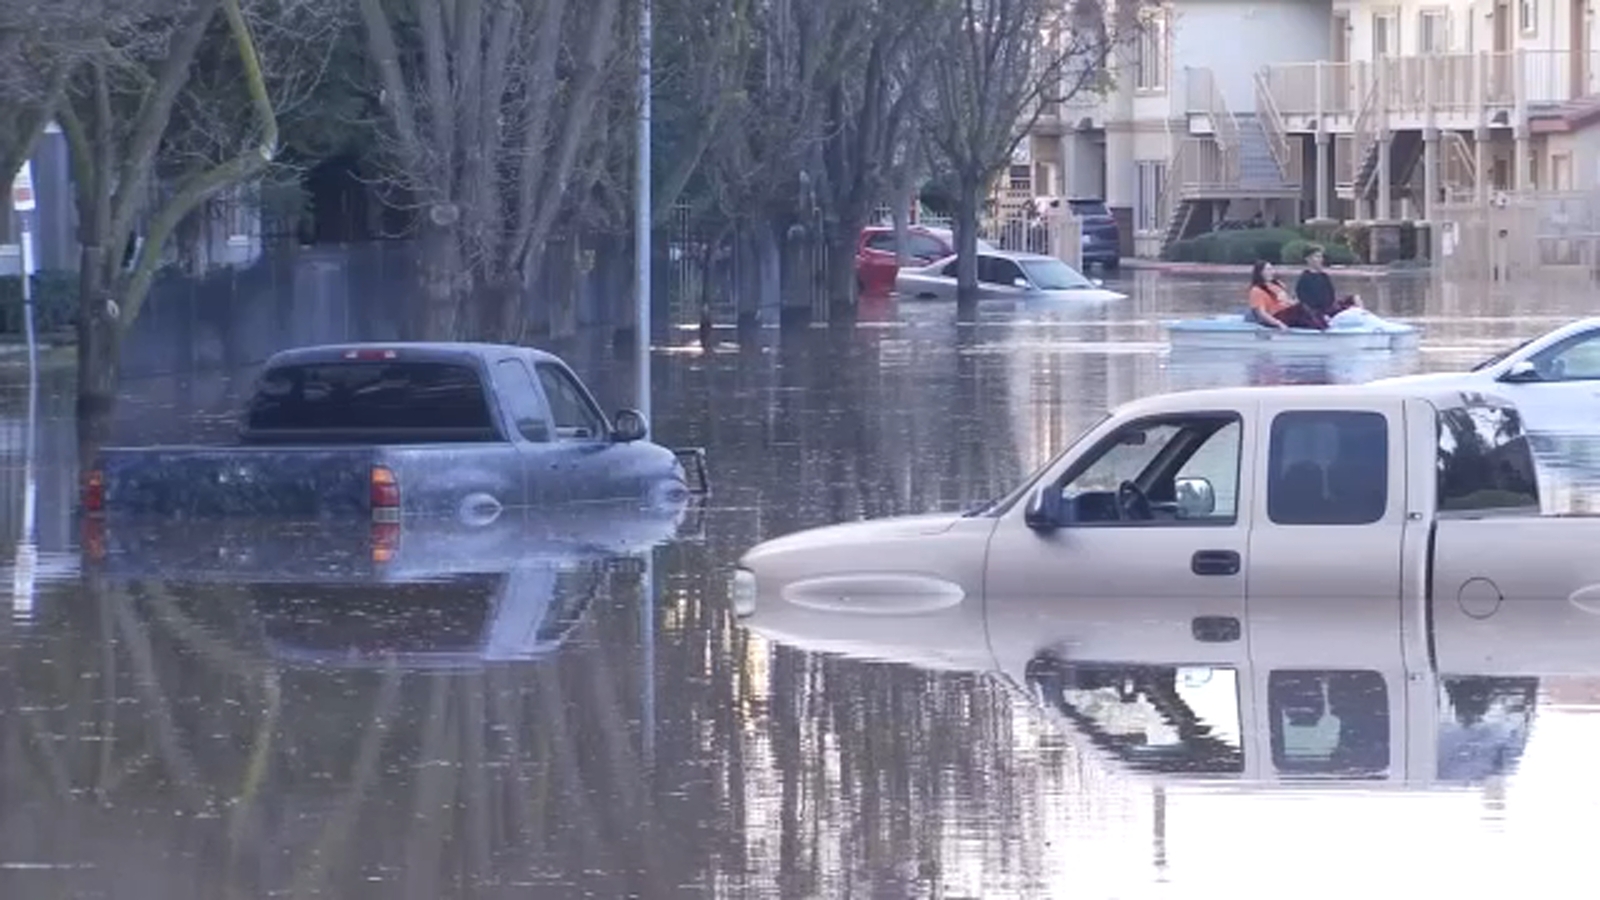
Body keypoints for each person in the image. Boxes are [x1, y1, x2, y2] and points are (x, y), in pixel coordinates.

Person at [1248, 259, 1324, 330]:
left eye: (1272, 269)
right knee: (1302, 309)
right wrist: (1279, 324)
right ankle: (1321, 329)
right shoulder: (1257, 290)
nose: (1272, 272)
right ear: (1260, 272)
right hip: (1276, 316)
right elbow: (1262, 313)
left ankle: (1322, 324)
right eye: (1268, 269)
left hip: (1288, 314)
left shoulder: (1278, 284)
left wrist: (1295, 302)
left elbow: (1287, 302)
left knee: (1309, 305)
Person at [1294, 246, 1361, 320]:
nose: (1320, 259)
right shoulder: (1304, 279)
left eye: (1321, 257)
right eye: (1317, 257)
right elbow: (1305, 301)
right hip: (1317, 312)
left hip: (1330, 308)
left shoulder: (1324, 276)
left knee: (1355, 298)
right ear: (1308, 259)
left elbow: (1331, 295)